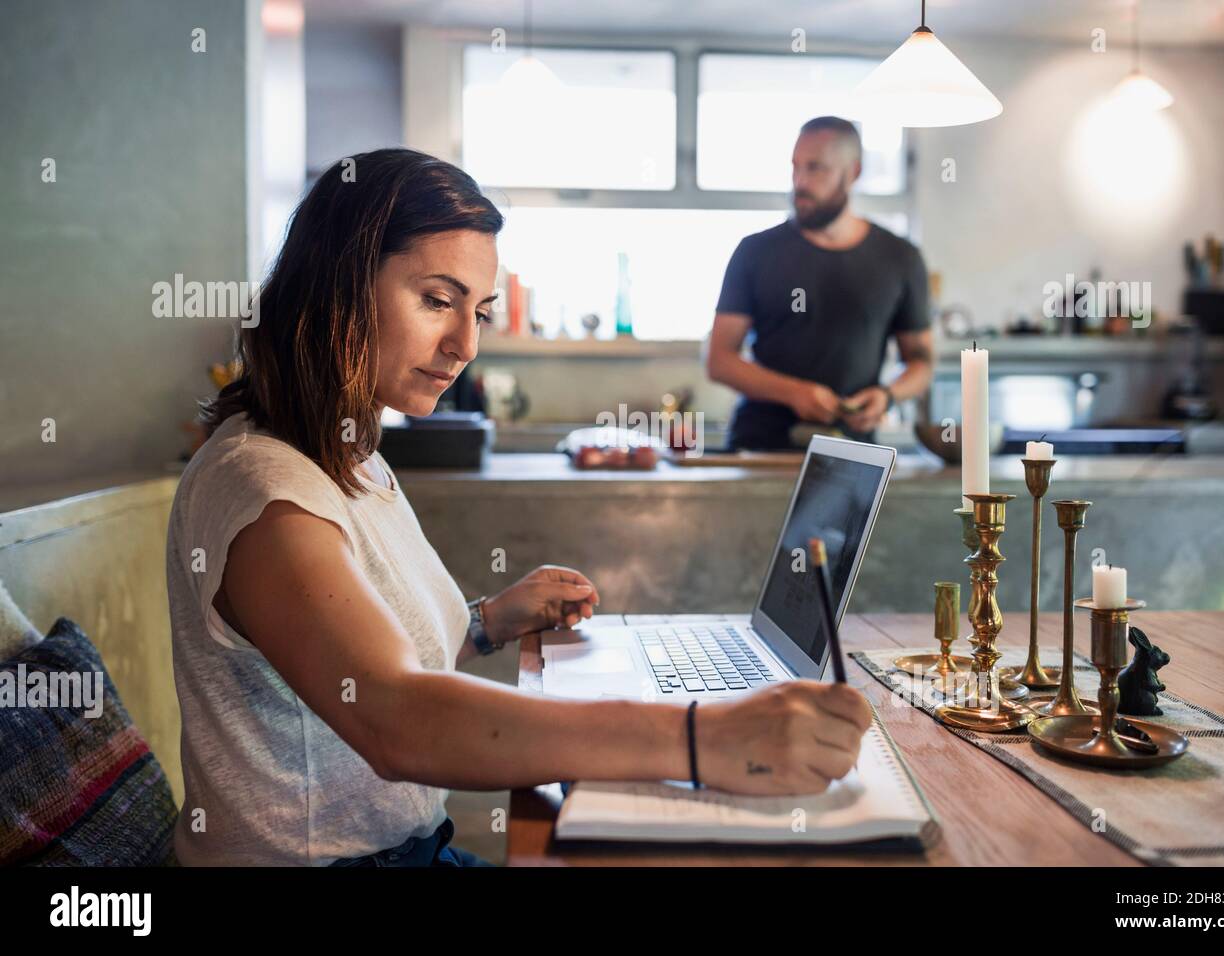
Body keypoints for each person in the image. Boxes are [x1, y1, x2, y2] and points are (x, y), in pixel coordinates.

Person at [165, 148, 873, 866]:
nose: (466, 344)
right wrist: (703, 737)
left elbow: (356, 645)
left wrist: (489, 619)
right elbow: (395, 717)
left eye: (480, 310)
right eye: (438, 300)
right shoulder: (264, 488)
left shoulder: (347, 456)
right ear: (338, 285)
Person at [706, 116, 935, 450]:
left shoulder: (901, 258)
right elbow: (719, 360)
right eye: (795, 167)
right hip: (759, 450)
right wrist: (795, 393)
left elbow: (921, 361)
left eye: (816, 169)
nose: (800, 181)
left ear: (853, 173)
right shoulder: (754, 252)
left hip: (854, 453)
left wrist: (887, 396)